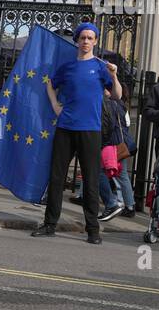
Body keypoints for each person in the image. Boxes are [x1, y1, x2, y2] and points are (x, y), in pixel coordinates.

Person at [32, 22, 121, 244]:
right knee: (56, 177)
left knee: (91, 181)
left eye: (90, 38)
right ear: (77, 40)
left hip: (91, 129)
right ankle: (50, 224)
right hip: (66, 127)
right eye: (83, 37)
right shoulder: (67, 67)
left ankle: (93, 230)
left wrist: (115, 76)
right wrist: (54, 105)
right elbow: (50, 85)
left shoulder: (101, 68)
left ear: (95, 41)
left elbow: (117, 95)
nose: (86, 41)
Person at [97, 86, 135, 221]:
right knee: (121, 175)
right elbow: (127, 124)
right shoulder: (121, 105)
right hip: (119, 143)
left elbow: (107, 126)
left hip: (112, 145)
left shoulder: (110, 103)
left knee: (101, 172)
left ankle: (117, 203)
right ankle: (129, 205)